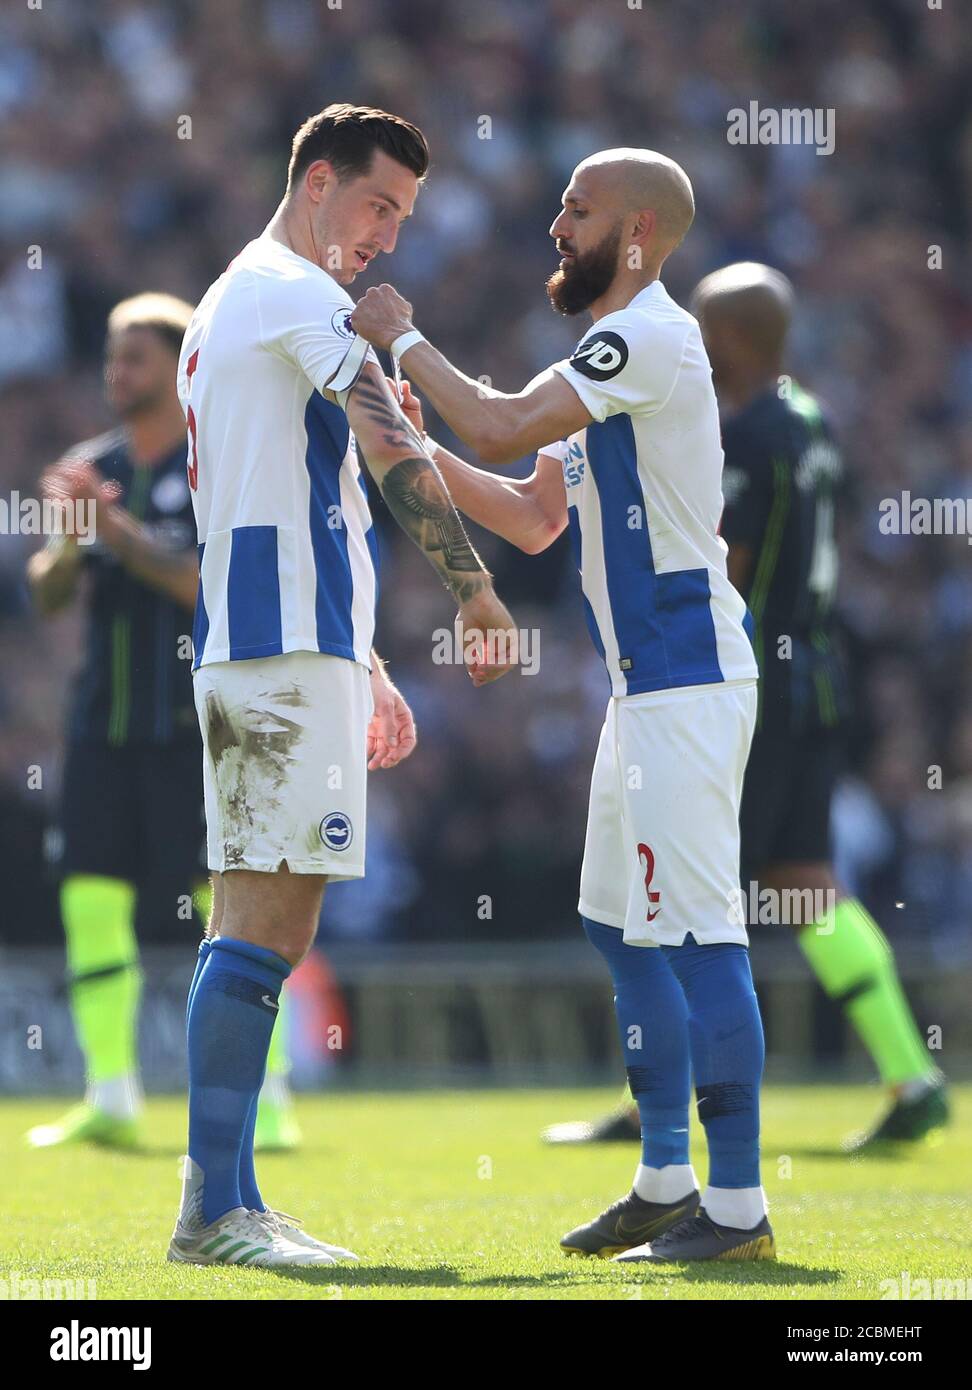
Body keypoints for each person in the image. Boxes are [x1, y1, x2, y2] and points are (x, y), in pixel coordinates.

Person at [352, 148, 774, 1263]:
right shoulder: (613, 354)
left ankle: (739, 1209)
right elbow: (535, 515)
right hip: (646, 685)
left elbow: (502, 424)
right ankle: (666, 1178)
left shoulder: (645, 333)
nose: (556, 222)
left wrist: (402, 336)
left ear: (635, 230)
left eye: (576, 207)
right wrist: (418, 436)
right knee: (617, 923)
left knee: (696, 931)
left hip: (686, 673)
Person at [169, 104, 515, 1269]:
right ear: (317, 182)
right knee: (267, 916)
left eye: (404, 217)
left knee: (260, 912)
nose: (387, 237)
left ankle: (226, 1197)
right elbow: (384, 443)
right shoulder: (294, 290)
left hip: (279, 636)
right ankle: (218, 1209)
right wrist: (472, 587)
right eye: (378, 205)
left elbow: (292, 477)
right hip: (276, 642)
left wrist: (364, 658)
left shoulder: (231, 297)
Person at [542, 263, 949, 1155]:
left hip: (739, 681)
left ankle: (661, 1094)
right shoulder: (811, 421)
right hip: (818, 682)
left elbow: (722, 559)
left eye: (703, 325)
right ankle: (910, 1073)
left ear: (725, 337)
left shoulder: (751, 433)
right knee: (804, 889)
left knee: (685, 884)